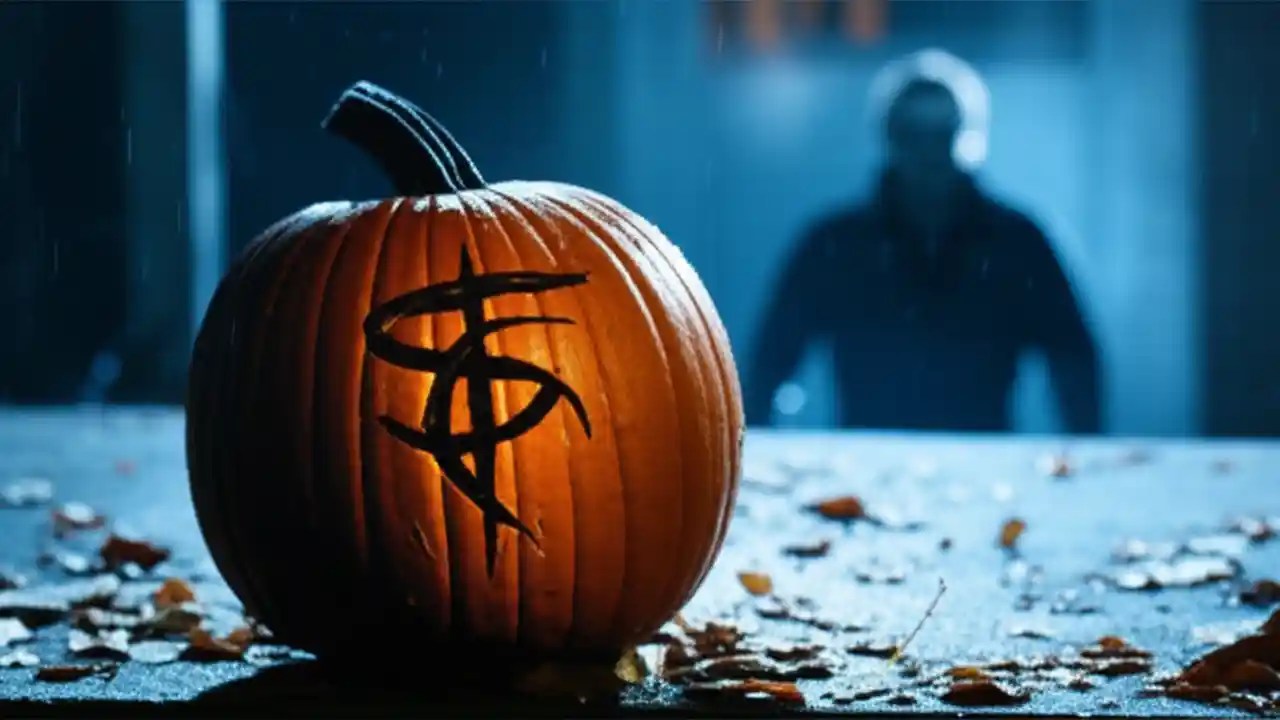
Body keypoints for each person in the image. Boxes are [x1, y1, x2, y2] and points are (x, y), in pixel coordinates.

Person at [745, 50, 1101, 433]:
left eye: (942, 133)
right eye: (913, 135)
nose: (929, 152)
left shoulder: (1019, 245)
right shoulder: (834, 247)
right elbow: (769, 362)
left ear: (969, 136)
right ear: (889, 136)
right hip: (869, 468)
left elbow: (1075, 364)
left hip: (984, 471)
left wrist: (1081, 454)